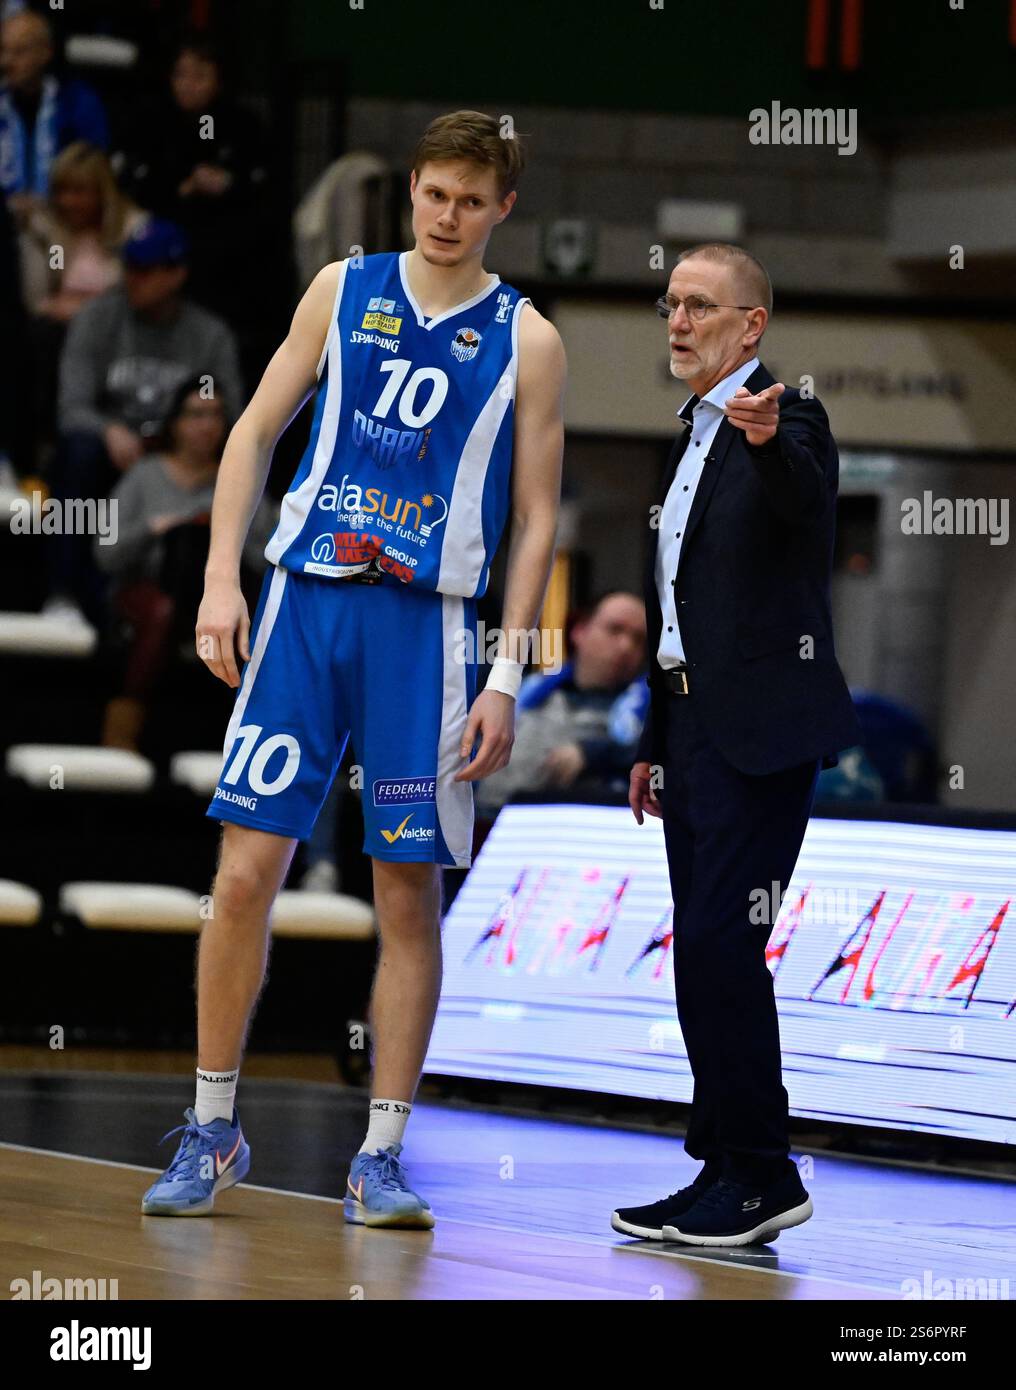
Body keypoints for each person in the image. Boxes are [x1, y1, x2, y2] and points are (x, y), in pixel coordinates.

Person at [140, 111, 566, 1228]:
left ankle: (380, 1153)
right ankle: (213, 1125)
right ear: (410, 191)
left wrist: (505, 678)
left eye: (471, 201)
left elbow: (532, 525)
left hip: (426, 630)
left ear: (500, 209)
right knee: (241, 876)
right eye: (434, 193)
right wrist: (221, 580)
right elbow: (250, 433)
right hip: (303, 601)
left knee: (405, 896)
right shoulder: (342, 287)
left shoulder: (529, 339)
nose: (447, 215)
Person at [612, 243, 860, 1248]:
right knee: (697, 952)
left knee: (724, 942)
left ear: (749, 327)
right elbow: (677, 612)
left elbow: (802, 499)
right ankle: (720, 1165)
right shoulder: (686, 442)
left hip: (761, 737)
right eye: (670, 304)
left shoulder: (785, 417)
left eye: (701, 307)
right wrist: (652, 736)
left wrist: (762, 438)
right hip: (692, 732)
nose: (678, 322)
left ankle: (763, 1170)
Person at [48, 216, 243, 626]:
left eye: (145, 270)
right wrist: (109, 429)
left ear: (176, 274)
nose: (131, 278)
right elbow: (71, 407)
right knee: (77, 452)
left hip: (182, 455)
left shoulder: (209, 336)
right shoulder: (98, 318)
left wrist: (184, 443)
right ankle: (64, 592)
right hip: (113, 450)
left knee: (233, 473)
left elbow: (234, 418)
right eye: (129, 266)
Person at [94, 376, 275, 750]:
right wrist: (155, 528)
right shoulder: (145, 475)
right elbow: (106, 552)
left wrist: (224, 535)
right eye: (195, 414)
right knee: (162, 607)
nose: (206, 425)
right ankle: (122, 732)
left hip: (219, 597)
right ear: (174, 422)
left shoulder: (242, 479)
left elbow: (269, 554)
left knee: (262, 611)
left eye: (214, 415)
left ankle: (249, 737)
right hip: (151, 590)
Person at [476, 590, 648, 819]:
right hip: (490, 823)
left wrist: (594, 754)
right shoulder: (522, 690)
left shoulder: (654, 708)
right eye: (615, 630)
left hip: (586, 831)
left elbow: (666, 757)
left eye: (638, 639)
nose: (626, 646)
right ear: (579, 631)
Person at [0, 7, 108, 205]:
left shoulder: (77, 103)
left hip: (65, 219)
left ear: (46, 52)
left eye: (19, 51)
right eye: (3, 50)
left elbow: (94, 172)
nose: (6, 61)